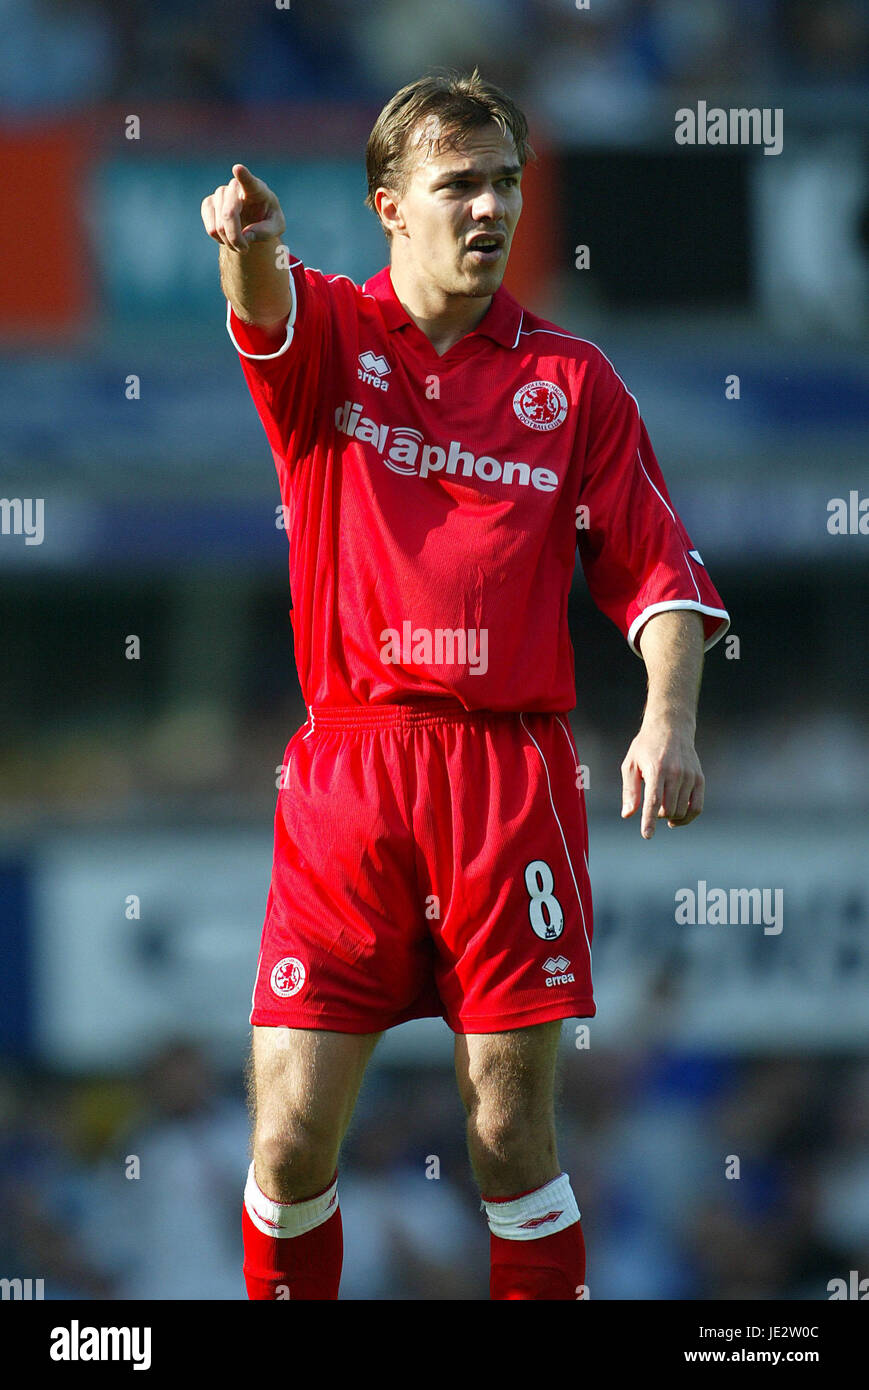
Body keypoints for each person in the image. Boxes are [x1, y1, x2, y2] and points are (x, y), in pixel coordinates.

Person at [200, 67, 730, 1301]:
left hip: (507, 780)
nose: (488, 208)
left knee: (507, 1140)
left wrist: (667, 717)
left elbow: (656, 574)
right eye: (458, 186)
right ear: (390, 204)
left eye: (505, 184)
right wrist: (252, 246)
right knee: (285, 1140)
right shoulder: (333, 335)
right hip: (350, 772)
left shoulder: (571, 382)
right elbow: (262, 312)